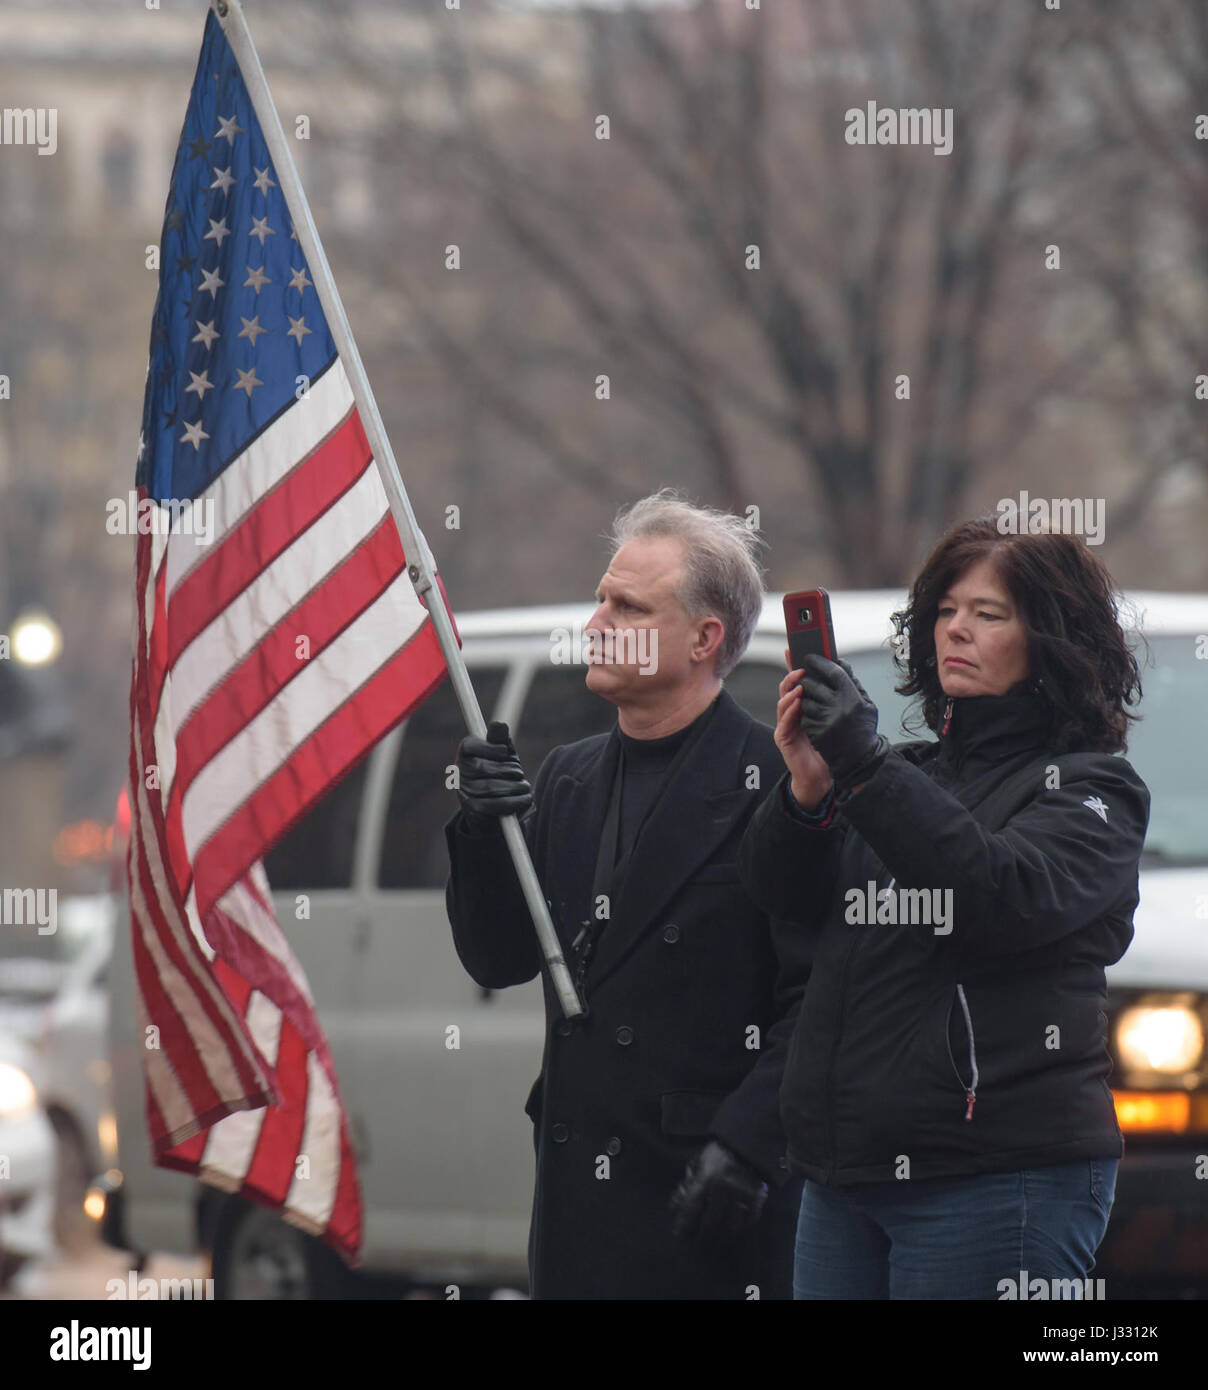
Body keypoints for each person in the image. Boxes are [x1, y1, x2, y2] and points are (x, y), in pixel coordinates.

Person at [739, 518, 1150, 1300]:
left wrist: (862, 763)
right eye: (944, 611)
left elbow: (1000, 896)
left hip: (997, 1176)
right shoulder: (897, 774)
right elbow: (779, 900)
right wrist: (808, 790)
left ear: (1055, 643)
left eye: (990, 615)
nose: (956, 630)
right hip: (843, 1175)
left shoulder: (1094, 788)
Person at [444, 491, 809, 1299]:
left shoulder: (778, 783)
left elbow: (814, 999)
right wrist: (481, 830)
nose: (597, 621)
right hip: (578, 1214)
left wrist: (747, 1148)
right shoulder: (568, 778)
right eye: (601, 596)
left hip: (706, 1211)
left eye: (629, 606)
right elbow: (498, 957)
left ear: (705, 638)